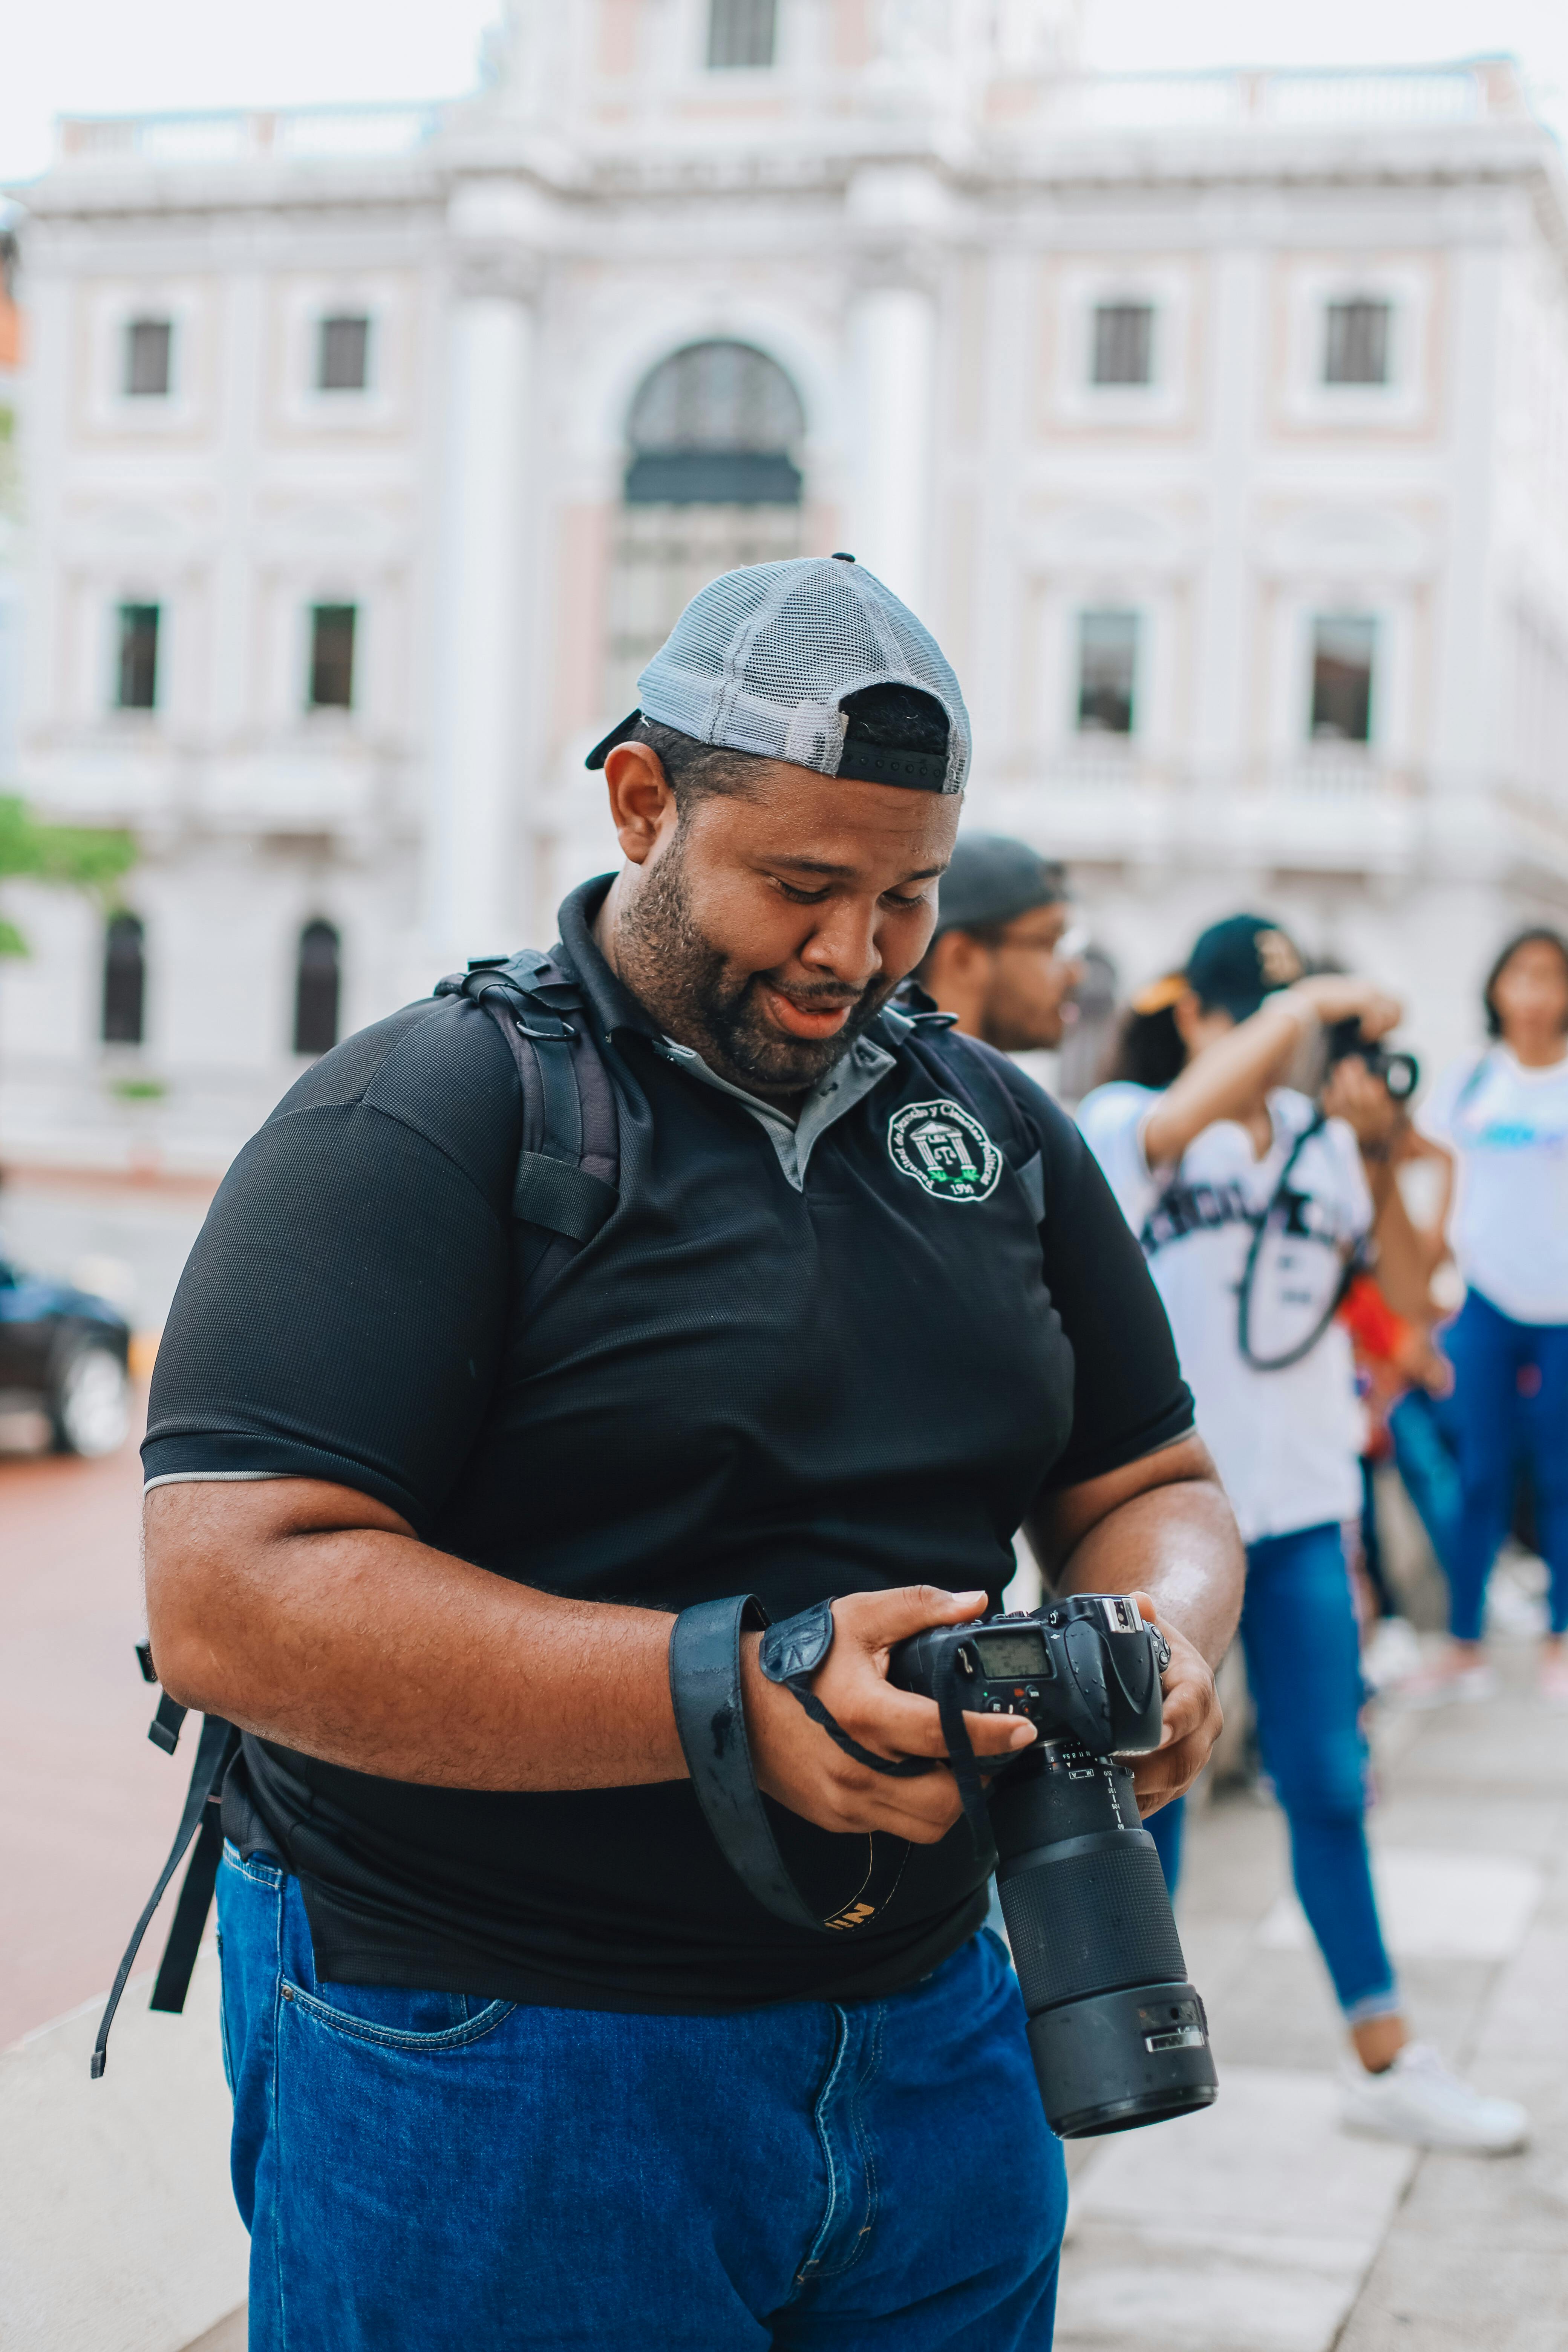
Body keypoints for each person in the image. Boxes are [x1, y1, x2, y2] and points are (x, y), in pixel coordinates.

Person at [140, 557, 1244, 2352]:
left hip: (944, 2041)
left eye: (903, 896)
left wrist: (1165, 1633)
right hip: (500, 2056)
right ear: (645, 798)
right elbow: (227, 1596)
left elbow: (1151, 1480)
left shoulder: (997, 1128)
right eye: (799, 884)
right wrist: (729, 1695)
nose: (852, 952)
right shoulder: (420, 1110)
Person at [1078, 914, 1528, 2153]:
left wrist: (1379, 1153)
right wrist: (1315, 1003)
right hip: (1161, 1528)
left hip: (1302, 1512)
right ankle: (1102, 2079)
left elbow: (1410, 1290)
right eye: (1278, 1020)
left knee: (1329, 1781)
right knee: (1145, 1803)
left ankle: (1384, 2054)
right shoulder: (1129, 1123)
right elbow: (1172, 1127)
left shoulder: (1325, 1148)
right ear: (1212, 1017)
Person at [1410, 927, 1568, 1703]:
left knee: (1559, 1475)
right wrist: (1426, 1286)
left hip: (1562, 1310)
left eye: (1550, 977)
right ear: (1496, 988)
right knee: (1480, 1473)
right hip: (1484, 1305)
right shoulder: (1473, 1082)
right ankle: (1463, 1644)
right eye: (1521, 975)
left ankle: (1560, 1641)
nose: (1535, 993)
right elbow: (1438, 1178)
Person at [911, 833, 1084, 1050]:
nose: (1076, 974)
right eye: (1048, 943)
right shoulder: (901, 1083)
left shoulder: (981, 1082)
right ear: (963, 959)